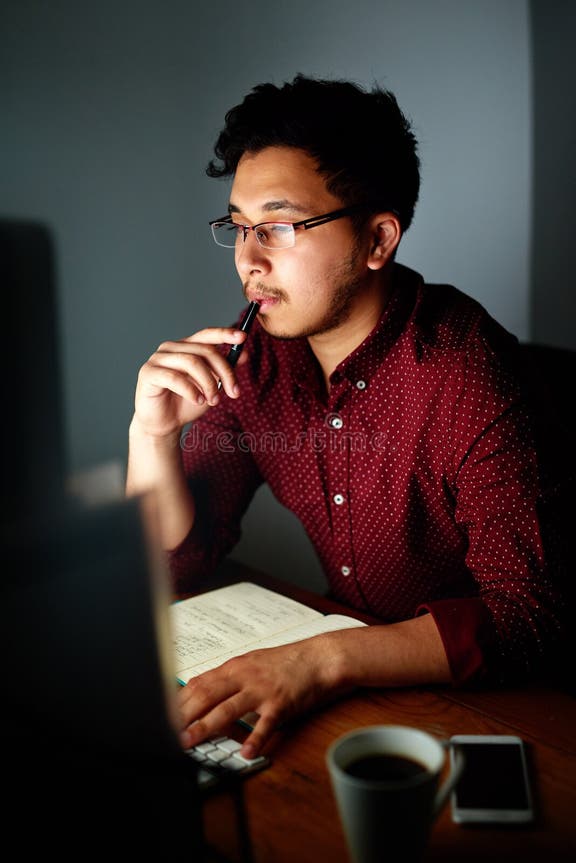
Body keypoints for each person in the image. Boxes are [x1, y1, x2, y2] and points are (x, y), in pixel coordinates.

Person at [127, 75, 567, 760]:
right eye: (239, 227)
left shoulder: (467, 367)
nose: (248, 259)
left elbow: (527, 616)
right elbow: (178, 562)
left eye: (278, 226)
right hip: (355, 694)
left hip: (496, 708)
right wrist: (151, 435)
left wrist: (321, 660)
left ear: (377, 240)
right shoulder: (257, 363)